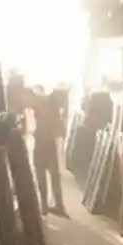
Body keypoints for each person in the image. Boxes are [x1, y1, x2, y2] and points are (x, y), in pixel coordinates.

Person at [32, 87, 68, 217]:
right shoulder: (54, 113)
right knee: (54, 176)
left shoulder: (41, 107)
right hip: (49, 146)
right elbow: (61, 132)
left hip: (40, 145)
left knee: (41, 175)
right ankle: (58, 205)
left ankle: (44, 205)